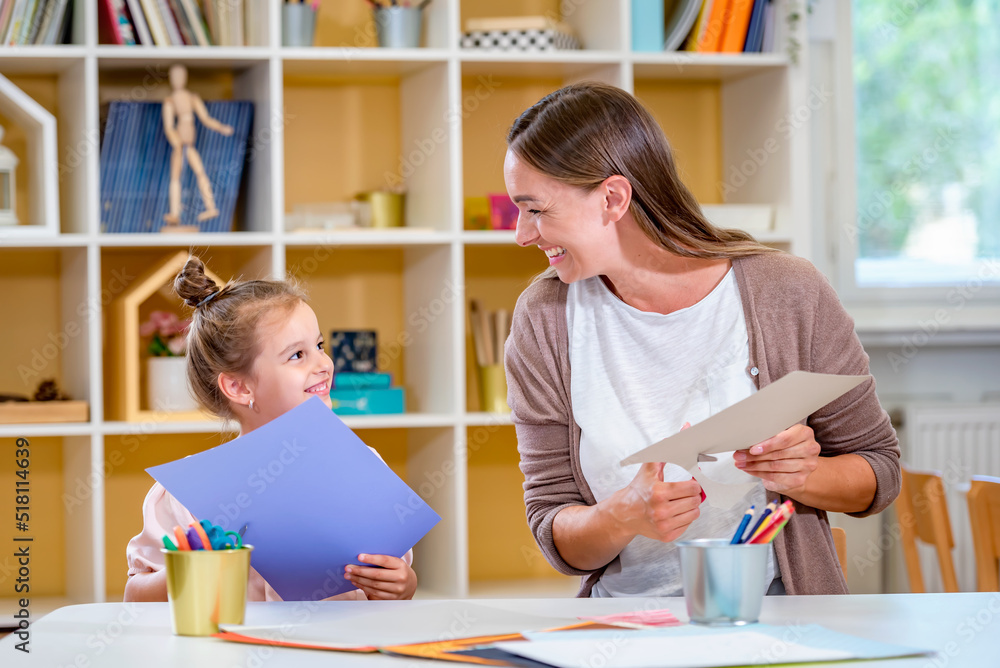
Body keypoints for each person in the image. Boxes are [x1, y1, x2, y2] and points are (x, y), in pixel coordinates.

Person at [502, 82, 900, 598]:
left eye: (535, 209)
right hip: (621, 629)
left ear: (613, 198)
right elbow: (553, 524)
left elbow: (879, 470)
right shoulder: (545, 318)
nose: (522, 234)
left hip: (774, 617)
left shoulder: (788, 293)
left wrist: (803, 476)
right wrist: (620, 516)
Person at [124, 256, 417, 602]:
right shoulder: (184, 496)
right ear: (239, 388)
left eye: (319, 347)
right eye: (297, 355)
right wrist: (188, 570)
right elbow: (134, 598)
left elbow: (397, 580)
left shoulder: (361, 468)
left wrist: (402, 584)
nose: (324, 364)